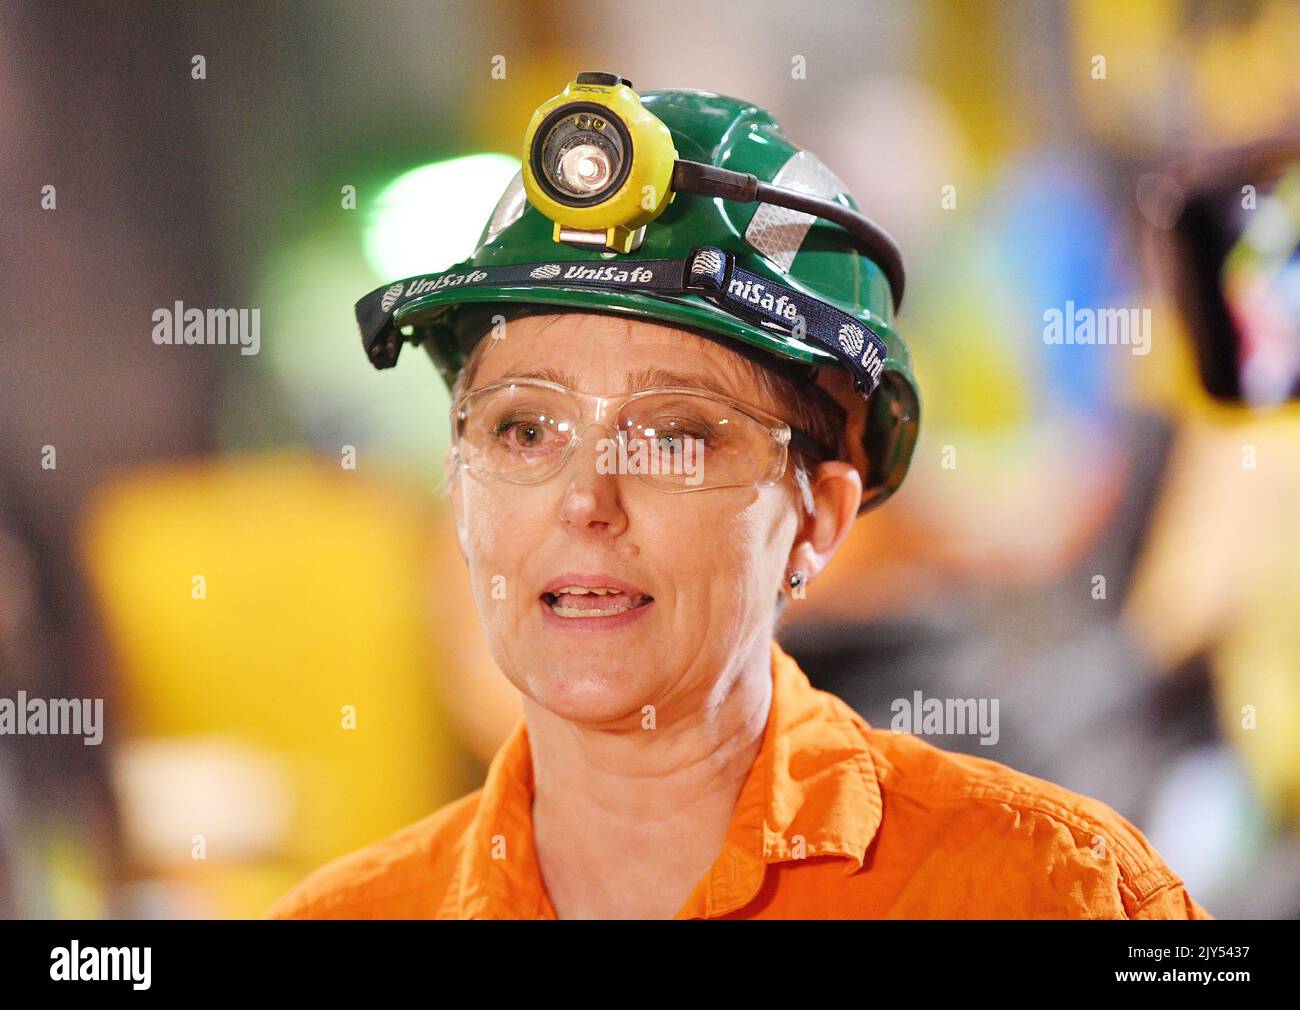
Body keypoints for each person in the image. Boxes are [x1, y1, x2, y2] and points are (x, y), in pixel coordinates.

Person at [267, 76, 1210, 919]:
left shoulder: (1053, 893)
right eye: (524, 429)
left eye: (673, 436)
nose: (584, 499)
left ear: (817, 520)